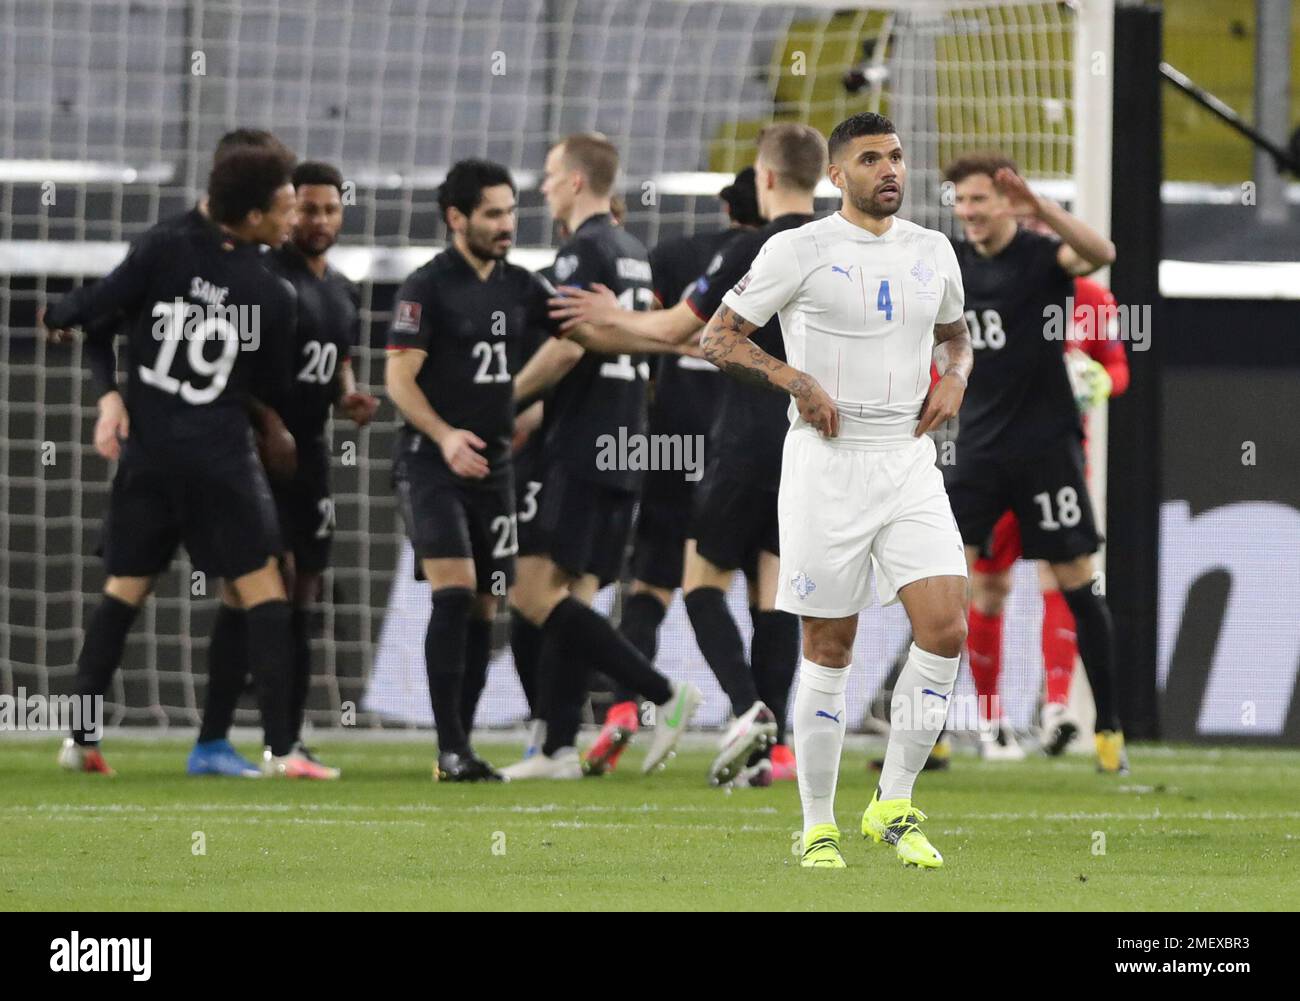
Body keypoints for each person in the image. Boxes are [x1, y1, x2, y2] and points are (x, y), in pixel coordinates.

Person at [696, 111, 973, 869]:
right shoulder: (798, 249)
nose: (890, 169)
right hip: (826, 462)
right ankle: (817, 822)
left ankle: (892, 802)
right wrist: (792, 377)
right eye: (872, 158)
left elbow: (957, 334)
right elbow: (715, 336)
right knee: (829, 644)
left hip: (908, 458)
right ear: (835, 175)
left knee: (946, 626)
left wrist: (954, 376)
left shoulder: (933, 249)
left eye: (897, 156)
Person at [548, 126, 829, 788]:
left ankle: (747, 707)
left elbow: (680, 328)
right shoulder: (840, 246)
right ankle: (778, 747)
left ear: (764, 178)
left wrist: (605, 315)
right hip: (814, 446)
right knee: (776, 589)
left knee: (700, 581)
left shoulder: (752, 248)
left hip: (739, 442)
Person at [44, 144, 332, 778]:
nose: (291, 217)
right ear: (253, 214)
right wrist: (274, 422)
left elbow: (95, 310)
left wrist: (56, 317)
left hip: (149, 455)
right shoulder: (270, 290)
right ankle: (284, 750)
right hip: (220, 460)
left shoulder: (162, 247)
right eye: (284, 206)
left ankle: (80, 739)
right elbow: (275, 385)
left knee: (124, 591)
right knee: (264, 591)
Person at [502, 133, 702, 780]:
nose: (542, 185)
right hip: (625, 441)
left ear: (578, 182)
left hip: (583, 441)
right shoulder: (634, 251)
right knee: (575, 601)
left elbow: (566, 346)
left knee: (532, 594)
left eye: (550, 173)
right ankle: (557, 747)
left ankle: (665, 695)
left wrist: (502, 403)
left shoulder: (583, 249)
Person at [190, 160, 377, 779]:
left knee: (304, 592)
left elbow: (339, 358)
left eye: (329, 209)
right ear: (286, 210)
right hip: (252, 455)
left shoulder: (344, 288)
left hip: (312, 458)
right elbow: (228, 364)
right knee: (247, 592)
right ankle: (215, 737)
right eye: (306, 208)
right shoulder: (265, 278)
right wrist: (267, 423)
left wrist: (349, 394)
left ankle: (286, 739)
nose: (318, 220)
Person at [943, 152, 1127, 773]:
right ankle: (935, 728)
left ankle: (1107, 729)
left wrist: (1043, 209)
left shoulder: (1044, 257)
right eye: (960, 200)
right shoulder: (948, 263)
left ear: (1007, 203)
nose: (967, 212)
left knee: (1077, 583)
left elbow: (1102, 252)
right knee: (940, 581)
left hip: (1048, 450)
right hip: (977, 451)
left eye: (979, 200)